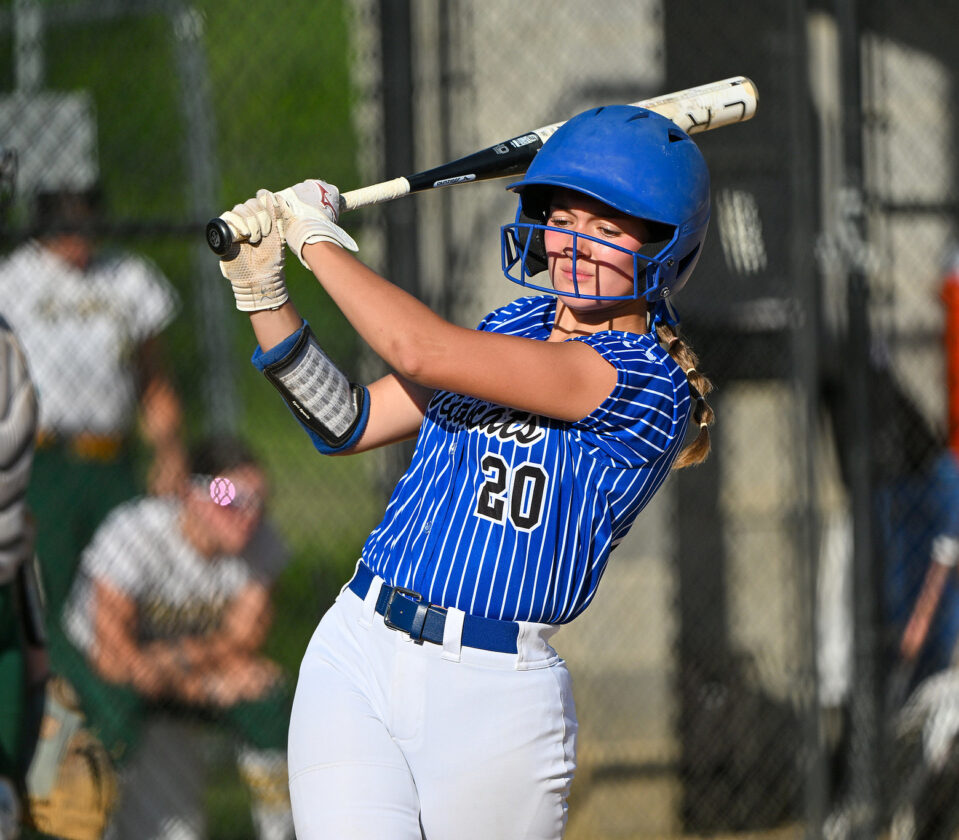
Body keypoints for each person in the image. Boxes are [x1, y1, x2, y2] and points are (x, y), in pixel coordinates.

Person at [217, 105, 715, 839]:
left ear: (663, 248)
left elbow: (417, 349)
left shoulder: (642, 381)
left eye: (607, 230)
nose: (574, 244)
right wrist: (264, 294)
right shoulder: (512, 324)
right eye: (562, 219)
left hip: (493, 694)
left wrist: (314, 236)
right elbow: (347, 422)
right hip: (358, 645)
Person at [59, 435, 294, 840]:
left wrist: (172, 667)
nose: (248, 513)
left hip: (174, 674)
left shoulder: (261, 542)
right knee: (115, 712)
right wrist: (203, 685)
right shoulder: (135, 534)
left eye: (259, 498)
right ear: (190, 493)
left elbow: (244, 639)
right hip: (94, 677)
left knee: (265, 694)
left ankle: (285, 833)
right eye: (229, 496)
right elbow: (113, 659)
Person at [0, 186, 188, 670]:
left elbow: (154, 380)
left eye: (86, 224)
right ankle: (52, 693)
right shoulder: (15, 279)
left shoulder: (128, 277)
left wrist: (169, 453)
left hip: (111, 458)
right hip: (42, 458)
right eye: (66, 226)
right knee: (48, 580)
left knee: (118, 581)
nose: (78, 238)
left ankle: (108, 696)